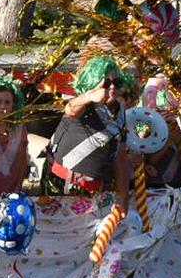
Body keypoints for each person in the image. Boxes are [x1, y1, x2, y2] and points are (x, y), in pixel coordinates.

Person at [48, 55, 133, 207]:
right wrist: (89, 96)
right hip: (62, 185)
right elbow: (70, 109)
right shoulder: (83, 103)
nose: (112, 87)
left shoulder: (120, 112)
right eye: (106, 83)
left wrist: (123, 198)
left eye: (116, 82)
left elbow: (120, 158)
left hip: (95, 191)